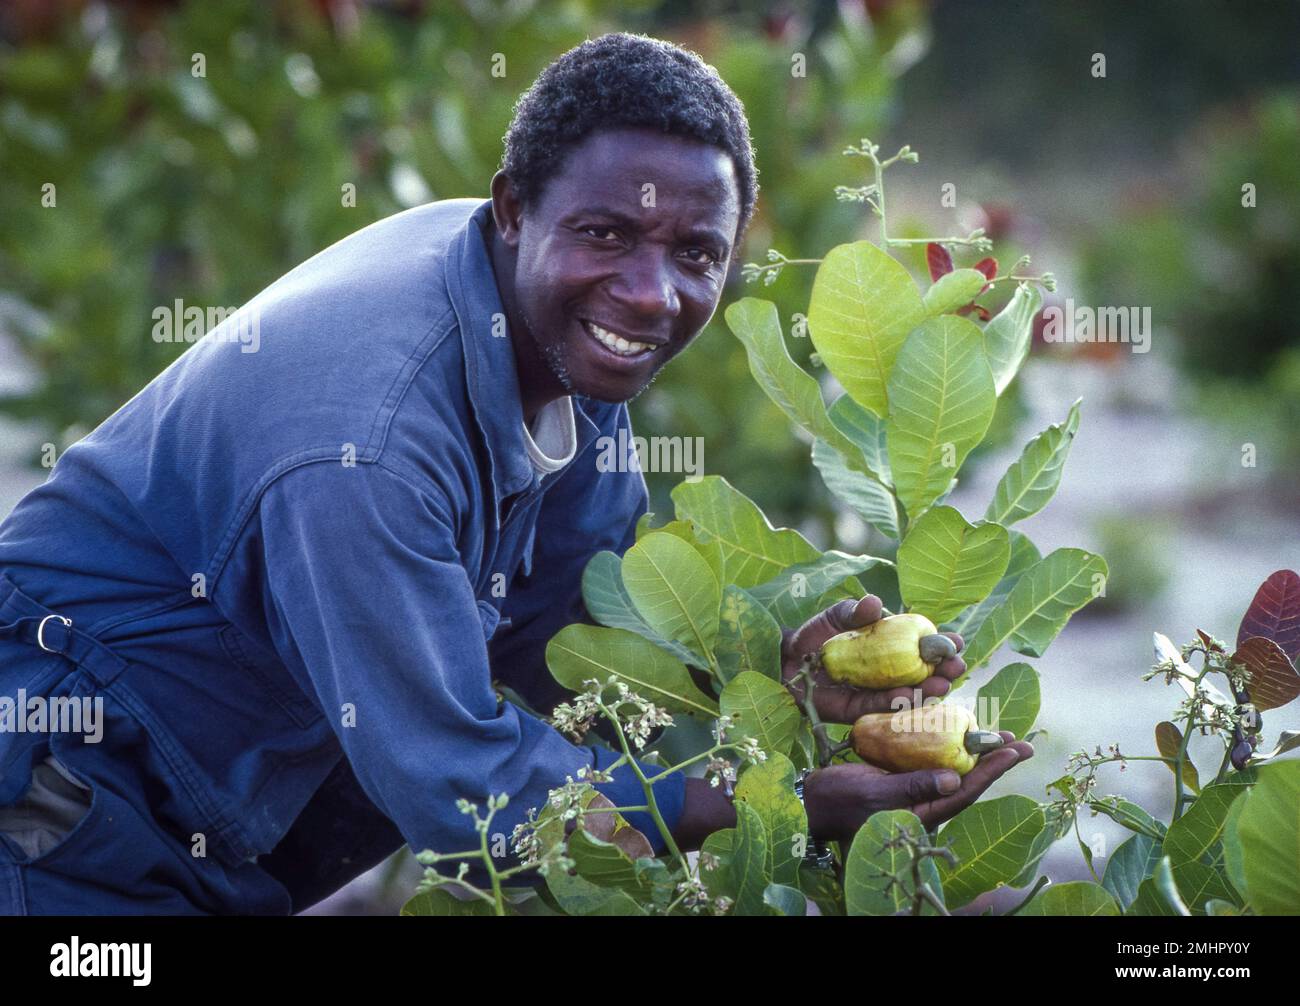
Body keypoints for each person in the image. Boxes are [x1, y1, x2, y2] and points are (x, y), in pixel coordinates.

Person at [0, 31, 1030, 915]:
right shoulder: (367, 448)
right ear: (511, 210)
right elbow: (465, 795)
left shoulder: (559, 346)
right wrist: (787, 810)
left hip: (207, 797)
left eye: (695, 254)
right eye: (606, 235)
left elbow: (580, 627)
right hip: (62, 791)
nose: (648, 293)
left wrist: (775, 686)